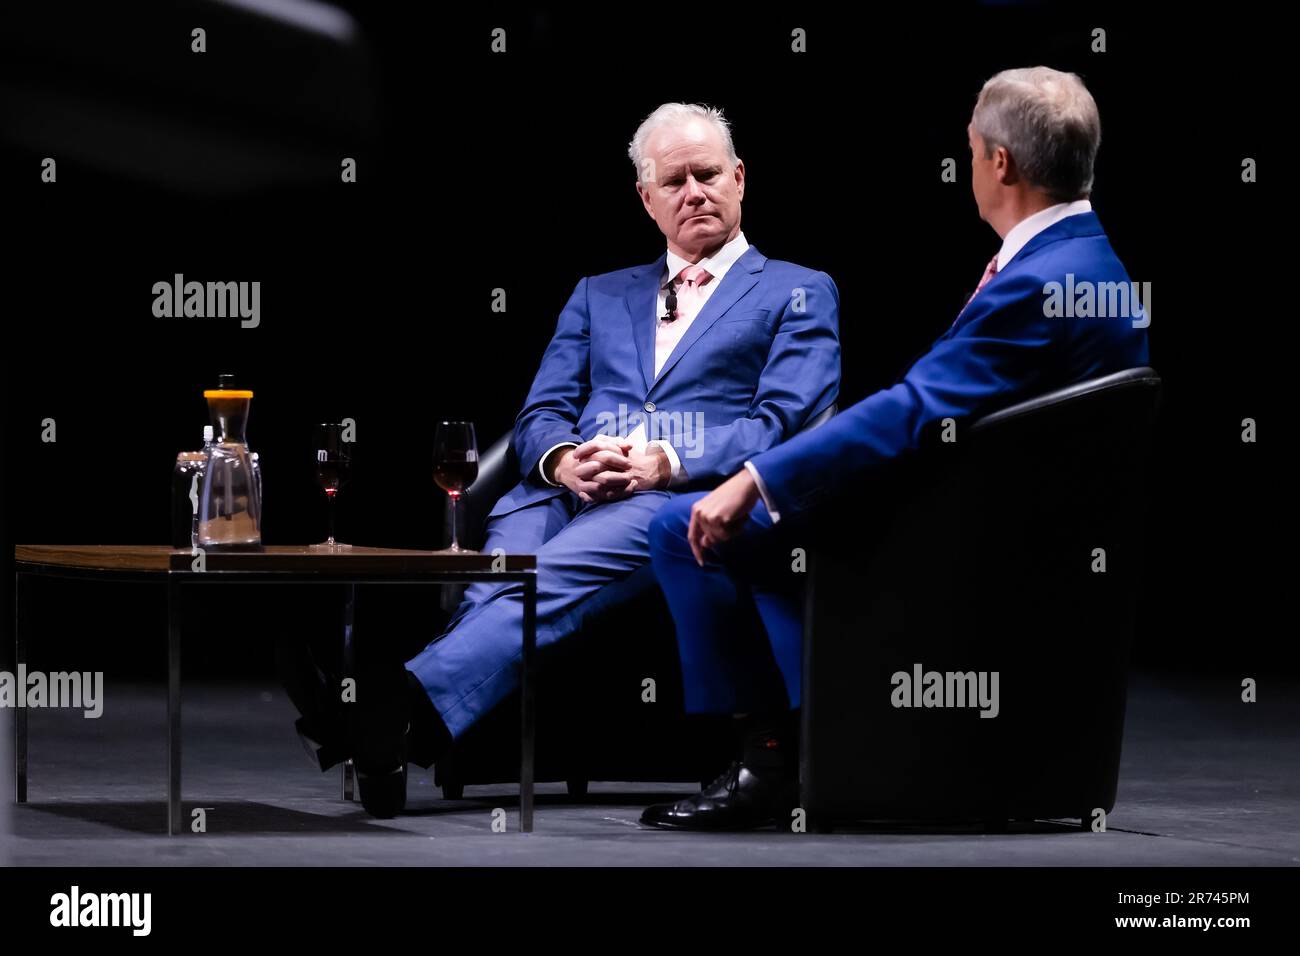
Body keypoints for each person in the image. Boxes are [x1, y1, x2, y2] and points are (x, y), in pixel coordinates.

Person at [640, 67, 1151, 831]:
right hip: (1016, 533)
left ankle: (765, 759)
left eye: (974, 151)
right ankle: (814, 740)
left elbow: (917, 408)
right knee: (786, 532)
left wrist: (756, 476)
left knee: (684, 531)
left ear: (1000, 164)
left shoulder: (1040, 280)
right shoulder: (1097, 265)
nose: (972, 166)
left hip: (955, 546)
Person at [336, 102, 842, 817]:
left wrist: (664, 461)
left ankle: (382, 715)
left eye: (708, 175)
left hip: (671, 500)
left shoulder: (798, 289)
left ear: (739, 178)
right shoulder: (597, 293)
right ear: (646, 198)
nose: (694, 191)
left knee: (536, 582)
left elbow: (783, 422)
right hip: (554, 497)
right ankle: (391, 735)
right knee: (500, 583)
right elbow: (540, 414)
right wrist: (566, 461)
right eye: (675, 181)